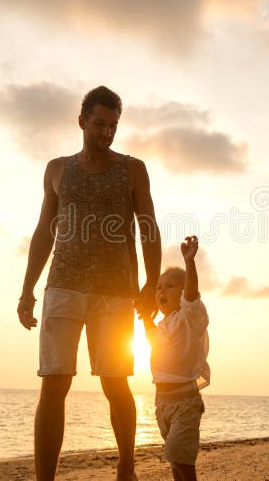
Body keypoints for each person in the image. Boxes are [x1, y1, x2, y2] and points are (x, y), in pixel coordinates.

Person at [17, 86, 161, 481]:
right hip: (62, 285)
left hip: (115, 291)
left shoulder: (133, 169)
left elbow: (148, 227)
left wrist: (150, 283)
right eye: (100, 123)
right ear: (81, 121)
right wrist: (27, 288)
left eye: (113, 125)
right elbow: (44, 232)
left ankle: (126, 469)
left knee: (116, 383)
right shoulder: (57, 169)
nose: (107, 132)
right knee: (54, 384)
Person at [138, 235, 210, 481]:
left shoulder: (189, 317)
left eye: (170, 286)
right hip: (162, 403)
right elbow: (152, 341)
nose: (161, 291)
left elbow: (191, 294)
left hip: (185, 402)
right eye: (159, 287)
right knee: (175, 462)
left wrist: (189, 262)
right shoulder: (162, 325)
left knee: (179, 455)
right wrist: (146, 317)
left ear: (183, 291)